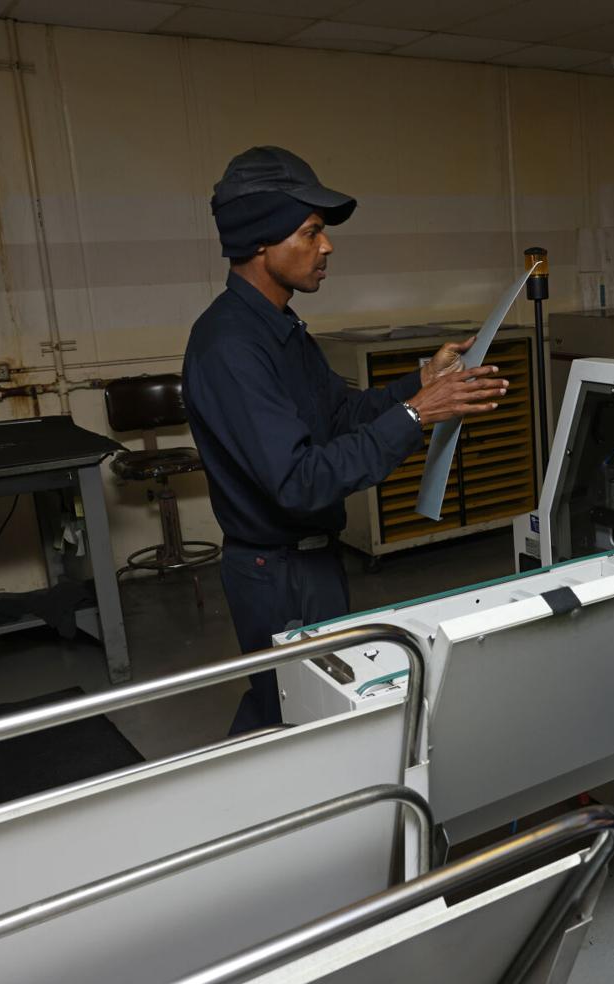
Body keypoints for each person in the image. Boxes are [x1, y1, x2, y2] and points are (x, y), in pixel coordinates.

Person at [183, 146, 507, 733]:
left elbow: (340, 413)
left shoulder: (281, 330)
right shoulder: (230, 346)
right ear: (262, 241)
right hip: (277, 575)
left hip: (310, 564)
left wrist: (419, 384)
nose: (327, 246)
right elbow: (299, 480)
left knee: (311, 714)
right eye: (311, 232)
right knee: (295, 721)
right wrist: (415, 414)